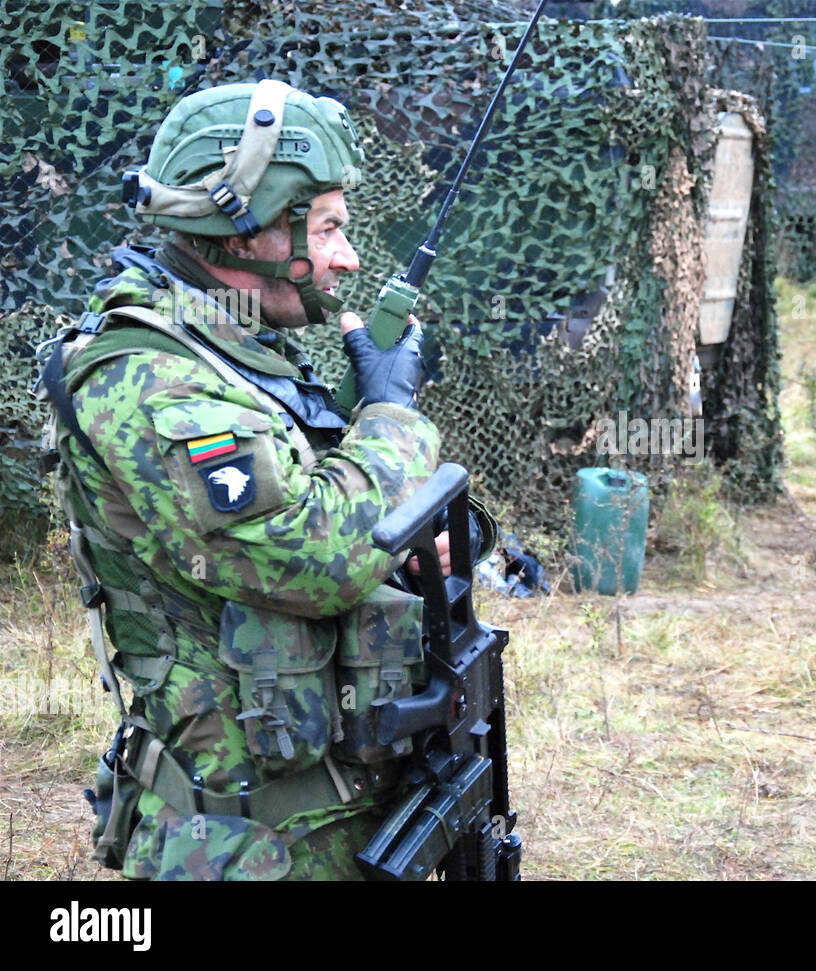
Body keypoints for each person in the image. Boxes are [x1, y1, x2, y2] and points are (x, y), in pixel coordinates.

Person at [38, 79, 493, 877]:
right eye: (326, 228)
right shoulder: (148, 376)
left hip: (337, 813)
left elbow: (345, 511)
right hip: (247, 846)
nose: (345, 258)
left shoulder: (235, 350)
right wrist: (391, 415)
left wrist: (423, 547)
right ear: (247, 225)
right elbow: (309, 557)